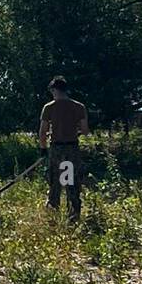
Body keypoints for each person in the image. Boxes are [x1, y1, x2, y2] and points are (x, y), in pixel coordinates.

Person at [39, 76, 89, 223]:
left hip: (56, 149)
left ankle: (53, 214)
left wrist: (43, 149)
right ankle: (73, 214)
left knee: (55, 181)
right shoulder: (79, 107)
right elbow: (85, 130)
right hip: (72, 148)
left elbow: (42, 132)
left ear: (54, 90)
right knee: (71, 180)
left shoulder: (49, 107)